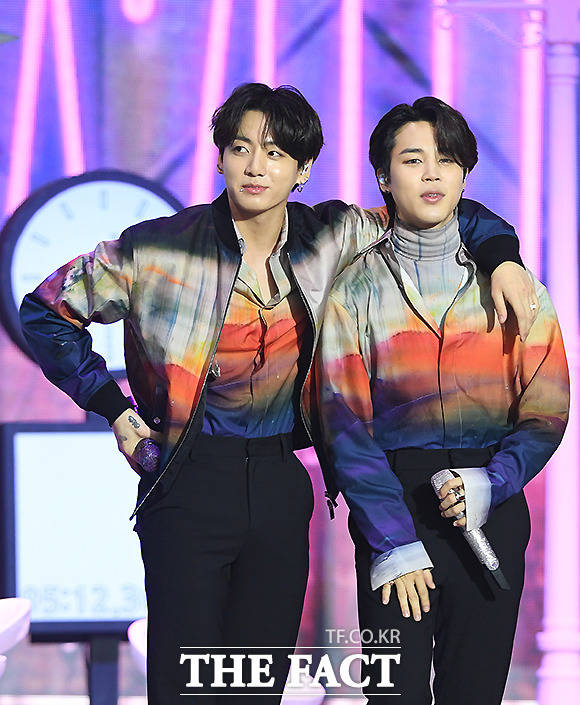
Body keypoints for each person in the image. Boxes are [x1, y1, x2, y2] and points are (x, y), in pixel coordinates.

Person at [20, 84, 536, 704]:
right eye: (241, 148)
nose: (255, 166)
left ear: (302, 169)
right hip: (186, 480)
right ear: (220, 158)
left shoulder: (331, 236)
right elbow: (44, 311)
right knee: (185, 685)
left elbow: (438, 208)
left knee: (257, 686)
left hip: (281, 487)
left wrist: (503, 257)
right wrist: (113, 408)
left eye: (274, 153)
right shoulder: (157, 247)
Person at [313, 96, 569, 704]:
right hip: (394, 509)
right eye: (413, 160)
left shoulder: (516, 287)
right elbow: (342, 421)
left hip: (491, 507)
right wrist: (392, 539)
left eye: (447, 160)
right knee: (394, 694)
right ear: (384, 178)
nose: (432, 174)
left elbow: (547, 408)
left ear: (464, 176)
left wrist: (494, 481)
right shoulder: (355, 290)